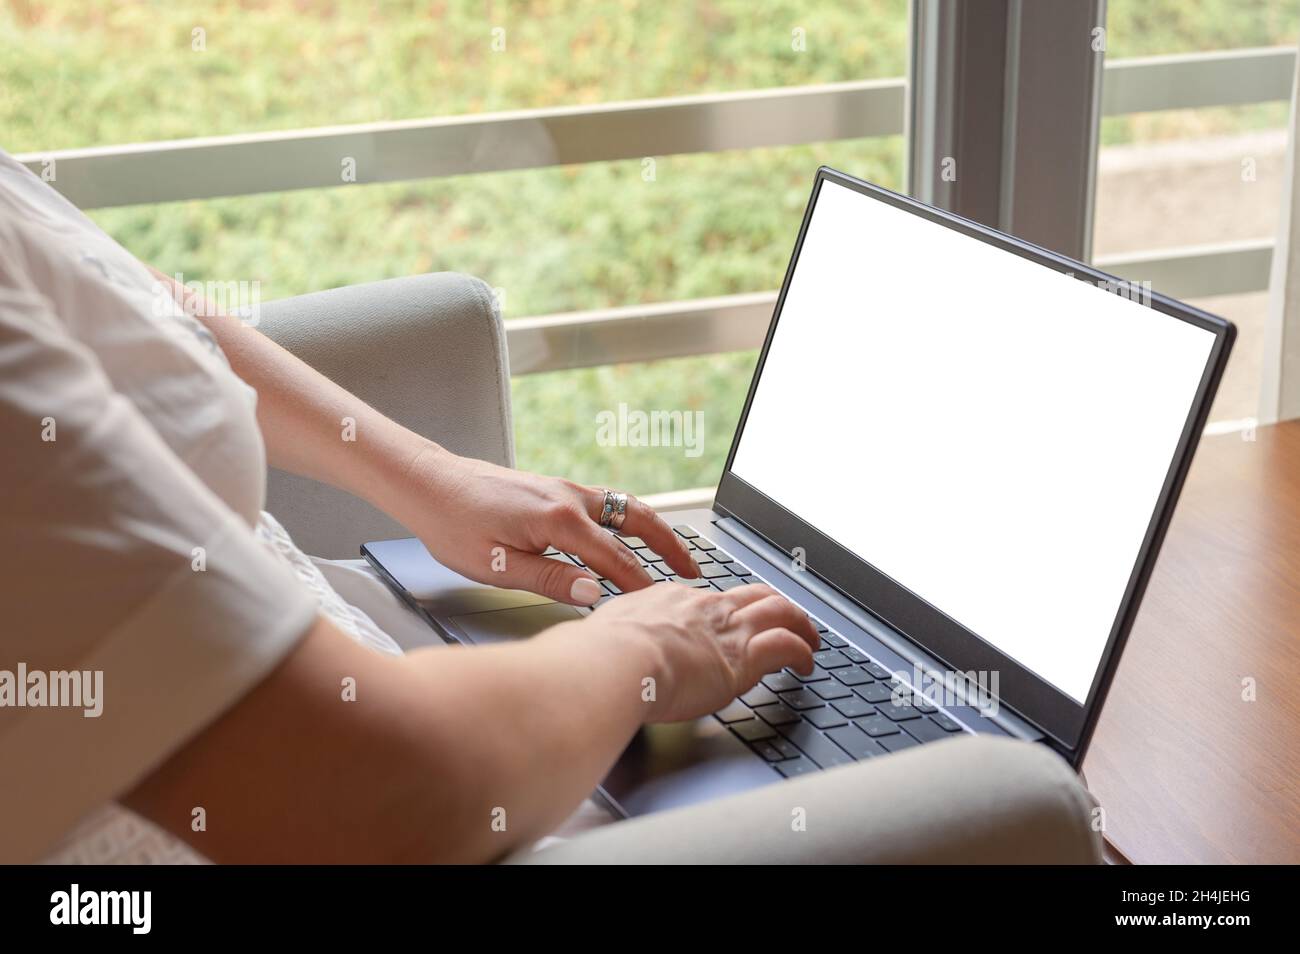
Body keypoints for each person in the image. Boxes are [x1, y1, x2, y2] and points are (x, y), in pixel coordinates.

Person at [0, 147, 1101, 864]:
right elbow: (380, 800)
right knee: (1028, 802)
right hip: (395, 802)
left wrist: (427, 474)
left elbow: (109, 298)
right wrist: (641, 657)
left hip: (344, 675)